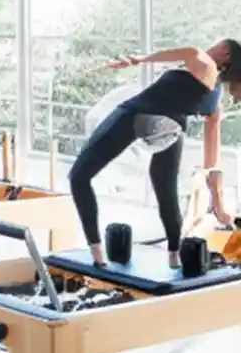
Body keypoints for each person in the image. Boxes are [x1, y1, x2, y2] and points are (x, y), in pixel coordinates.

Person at [72, 40, 241, 267]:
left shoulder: (203, 60)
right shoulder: (215, 97)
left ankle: (97, 253)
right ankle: (174, 256)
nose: (210, 47)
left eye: (216, 45)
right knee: (166, 193)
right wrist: (215, 191)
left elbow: (181, 52)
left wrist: (137, 60)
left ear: (225, 53)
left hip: (137, 114)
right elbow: (212, 144)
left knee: (79, 177)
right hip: (169, 130)